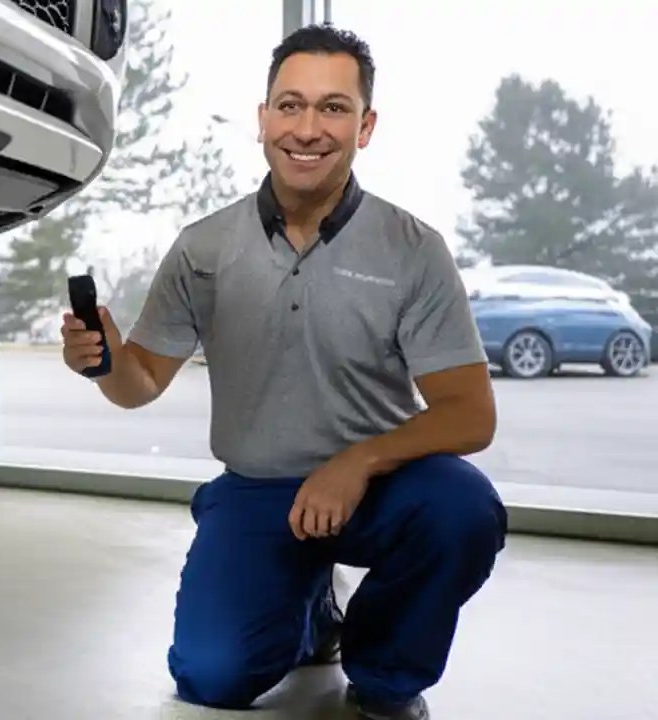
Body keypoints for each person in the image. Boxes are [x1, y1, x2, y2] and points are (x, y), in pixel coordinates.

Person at [60, 23, 507, 720]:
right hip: (260, 491)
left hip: (380, 487)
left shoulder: (414, 249)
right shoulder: (204, 247)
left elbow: (469, 414)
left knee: (462, 509)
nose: (308, 127)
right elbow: (140, 383)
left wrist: (358, 461)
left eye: (333, 108)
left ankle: (386, 675)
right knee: (210, 677)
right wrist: (105, 361)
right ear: (263, 118)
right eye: (291, 105)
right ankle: (312, 612)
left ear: (366, 126)